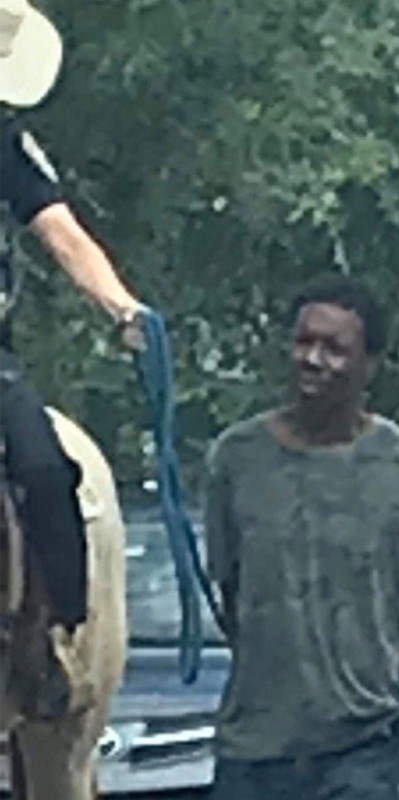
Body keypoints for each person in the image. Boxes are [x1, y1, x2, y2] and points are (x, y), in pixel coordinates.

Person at [203, 277, 399, 800]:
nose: (313, 359)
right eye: (304, 342)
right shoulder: (236, 458)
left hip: (362, 749)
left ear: (370, 365)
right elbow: (231, 594)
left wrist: (362, 678)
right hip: (253, 750)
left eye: (335, 348)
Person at [0, 0, 144, 638]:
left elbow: (61, 231)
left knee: (43, 469)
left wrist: (121, 305)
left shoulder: (4, 145)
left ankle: (53, 634)